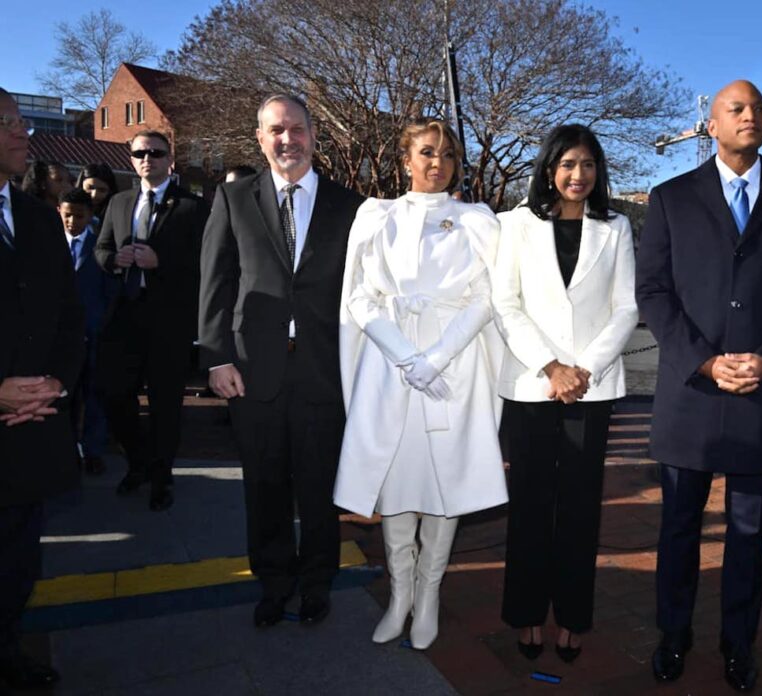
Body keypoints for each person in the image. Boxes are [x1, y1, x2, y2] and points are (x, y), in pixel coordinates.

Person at [635, 80, 762, 692]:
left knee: (750, 530)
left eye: (758, 107)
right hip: (691, 392)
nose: (750, 116)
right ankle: (674, 635)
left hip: (761, 392)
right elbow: (655, 293)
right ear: (711, 126)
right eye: (736, 109)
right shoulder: (670, 199)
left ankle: (738, 642)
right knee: (679, 526)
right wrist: (704, 361)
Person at [334, 118, 507, 650]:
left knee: (443, 482)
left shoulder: (477, 220)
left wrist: (437, 357)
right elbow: (359, 296)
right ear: (405, 158)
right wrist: (407, 356)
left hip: (454, 367)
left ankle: (429, 596)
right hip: (390, 366)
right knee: (399, 482)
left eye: (448, 154)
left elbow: (487, 295)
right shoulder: (375, 216)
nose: (438, 163)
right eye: (428, 152)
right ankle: (399, 595)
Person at [199, 95, 363, 627]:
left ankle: (317, 583)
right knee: (264, 485)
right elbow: (215, 283)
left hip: (324, 369)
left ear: (314, 135)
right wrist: (217, 358)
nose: (286, 139)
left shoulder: (351, 206)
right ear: (260, 138)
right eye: (276, 130)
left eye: (296, 129)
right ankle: (273, 583)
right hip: (251, 370)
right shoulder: (234, 199)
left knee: (319, 488)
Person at [491, 124, 637, 663]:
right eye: (569, 164)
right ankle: (526, 614)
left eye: (589, 165)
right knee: (530, 506)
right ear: (550, 168)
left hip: (591, 391)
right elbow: (506, 304)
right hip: (531, 385)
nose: (579, 176)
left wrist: (584, 370)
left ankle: (573, 618)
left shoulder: (616, 227)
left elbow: (626, 308)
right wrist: (552, 367)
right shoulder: (515, 225)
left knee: (580, 510)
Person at [0, 86, 85, 691]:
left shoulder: (37, 217)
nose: (20, 134)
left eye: (20, 122)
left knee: (17, 561)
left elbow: (68, 317)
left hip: (31, 431)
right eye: (5, 123)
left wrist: (55, 381)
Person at [94, 130, 210, 511]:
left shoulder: (192, 207)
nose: (148, 159)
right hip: (124, 315)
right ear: (131, 159)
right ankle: (139, 461)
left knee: (165, 404)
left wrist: (161, 263)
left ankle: (161, 476)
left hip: (168, 321)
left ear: (169, 158)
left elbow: (206, 262)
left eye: (156, 153)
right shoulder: (119, 202)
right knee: (114, 393)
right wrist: (114, 261)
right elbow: (102, 247)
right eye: (140, 153)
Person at [59, 187, 114, 475]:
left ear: (90, 215)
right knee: (62, 395)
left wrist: (102, 324)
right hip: (59, 337)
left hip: (94, 333)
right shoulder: (49, 245)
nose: (72, 222)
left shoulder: (99, 247)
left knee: (93, 394)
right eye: (67, 216)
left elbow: (109, 291)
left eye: (79, 216)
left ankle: (93, 450)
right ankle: (65, 450)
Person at [75, 163, 119, 228]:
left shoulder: (116, 215)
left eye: (102, 190)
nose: (94, 195)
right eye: (90, 188)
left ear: (110, 191)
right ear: (81, 185)